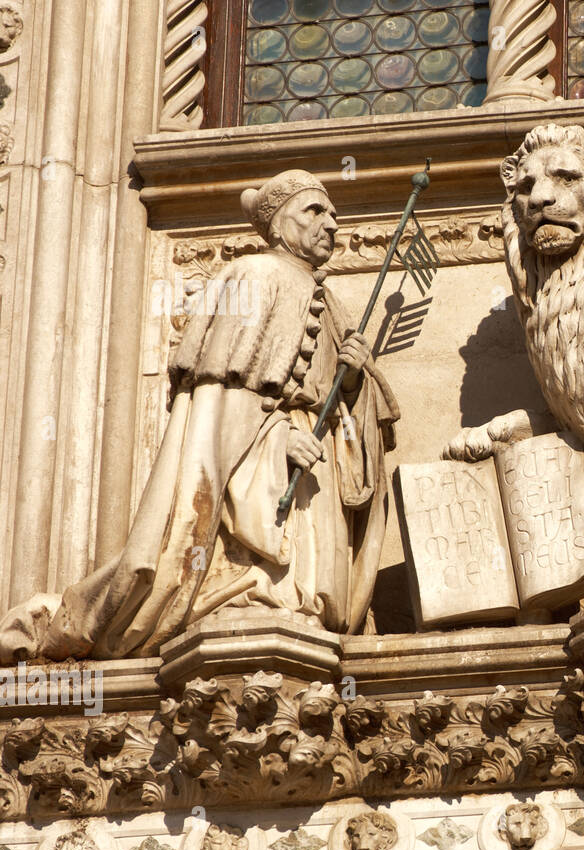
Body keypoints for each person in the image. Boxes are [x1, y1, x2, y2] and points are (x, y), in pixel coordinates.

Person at [0, 170, 399, 661]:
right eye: (314, 211)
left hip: (316, 466)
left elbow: (340, 407)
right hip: (267, 462)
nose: (332, 224)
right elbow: (221, 408)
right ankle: (246, 592)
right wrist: (275, 443)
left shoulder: (332, 304)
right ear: (276, 226)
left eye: (334, 214)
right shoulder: (253, 277)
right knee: (262, 588)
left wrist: (355, 382)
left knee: (307, 601)